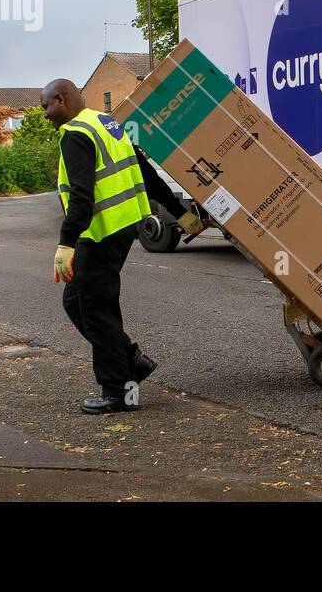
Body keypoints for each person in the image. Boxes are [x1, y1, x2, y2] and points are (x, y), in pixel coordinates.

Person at [40, 78, 204, 414]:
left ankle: (118, 390)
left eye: (46, 106)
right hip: (123, 227)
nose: (45, 114)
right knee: (75, 301)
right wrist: (179, 214)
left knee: (97, 311)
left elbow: (82, 197)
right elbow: (144, 171)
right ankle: (131, 360)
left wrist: (65, 244)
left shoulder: (75, 133)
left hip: (99, 234)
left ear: (61, 99)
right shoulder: (106, 123)